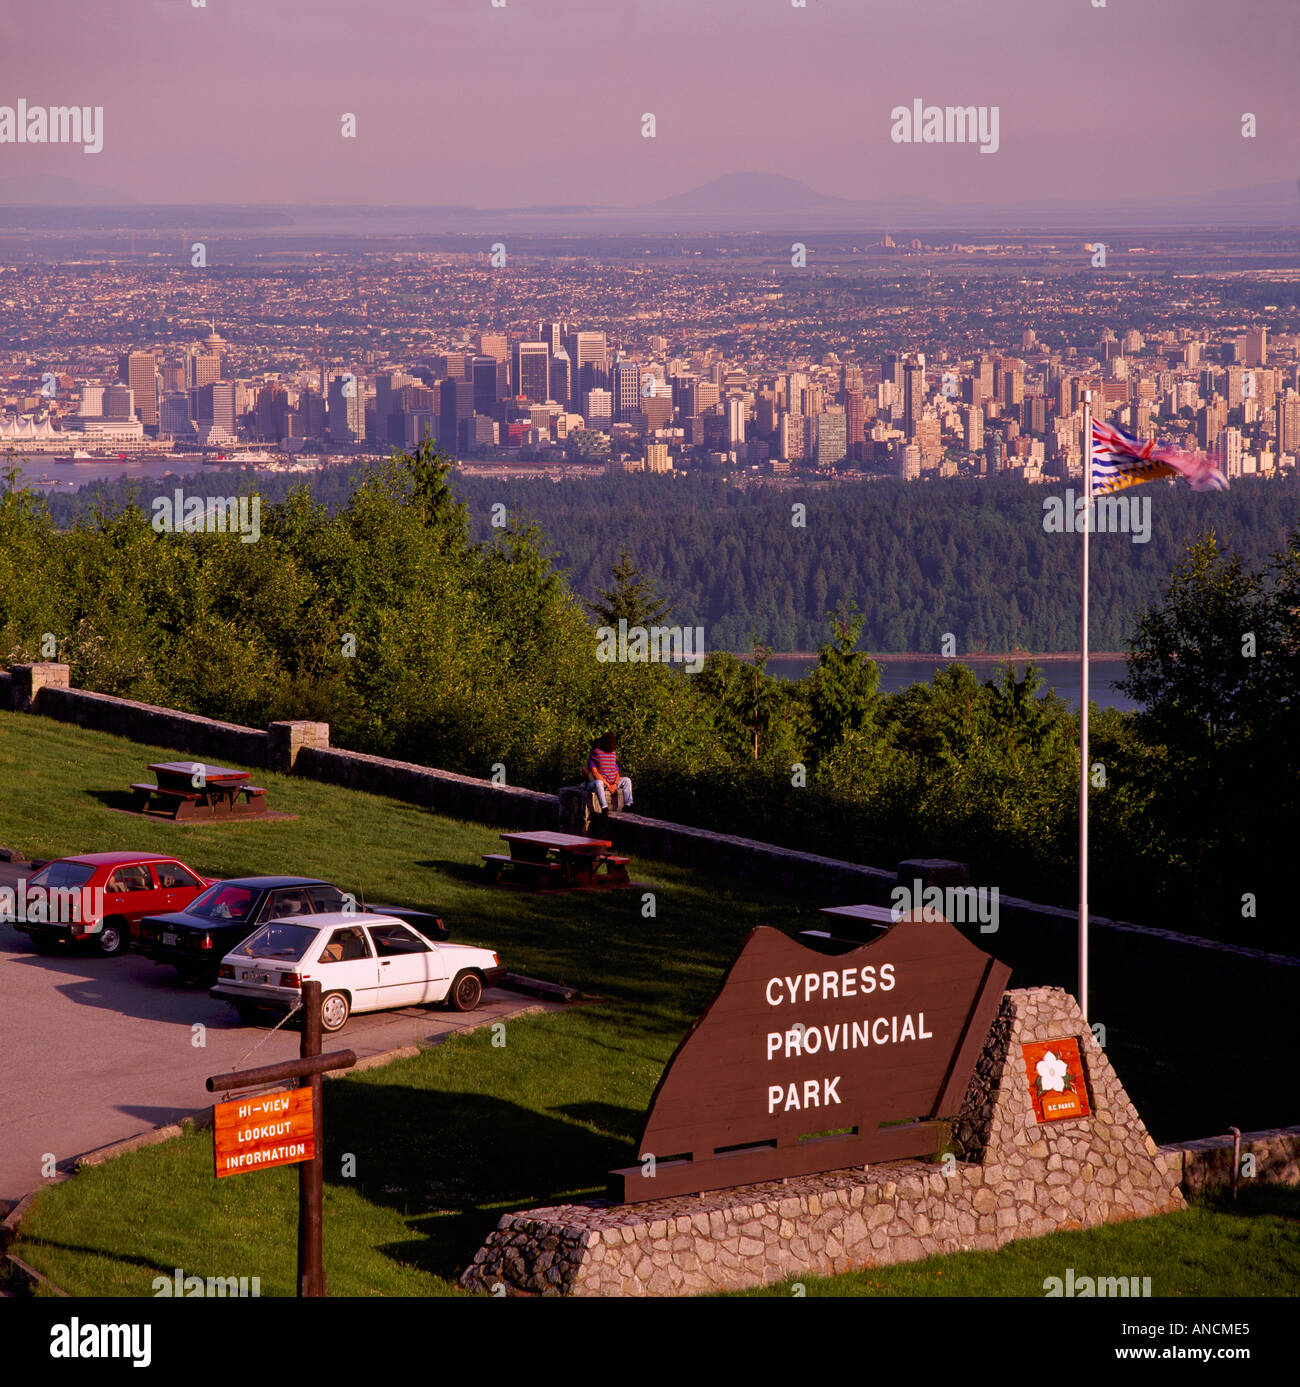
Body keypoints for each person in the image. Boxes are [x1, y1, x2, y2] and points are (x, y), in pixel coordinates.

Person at [586, 731, 633, 813]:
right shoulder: (596, 754)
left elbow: (616, 773)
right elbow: (595, 774)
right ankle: (604, 807)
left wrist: (614, 784)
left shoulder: (612, 755)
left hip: (609, 784)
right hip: (600, 784)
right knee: (598, 783)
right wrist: (609, 785)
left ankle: (628, 805)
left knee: (627, 780)